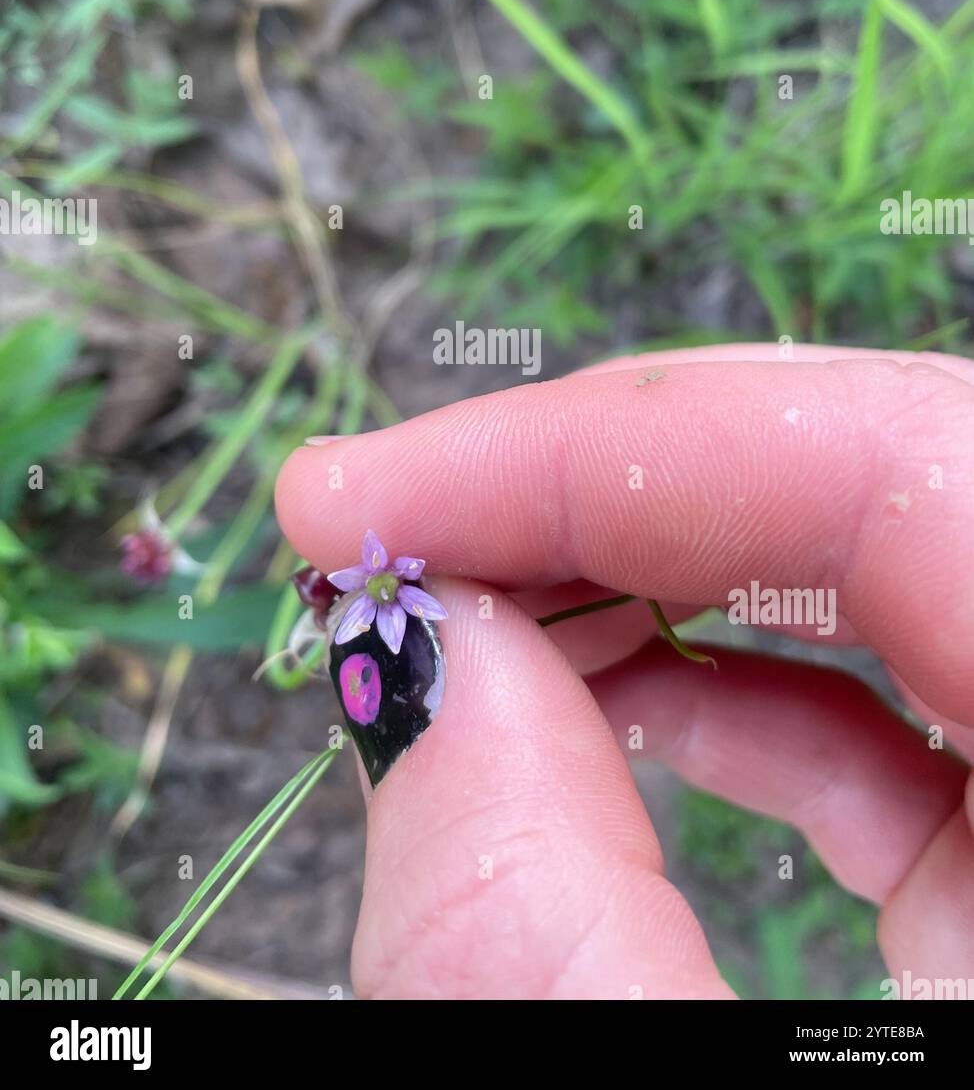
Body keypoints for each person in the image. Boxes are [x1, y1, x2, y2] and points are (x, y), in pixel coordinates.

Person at [275, 344, 974, 1000]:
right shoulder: (377, 585)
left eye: (385, 587)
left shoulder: (397, 589)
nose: (385, 590)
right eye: (373, 589)